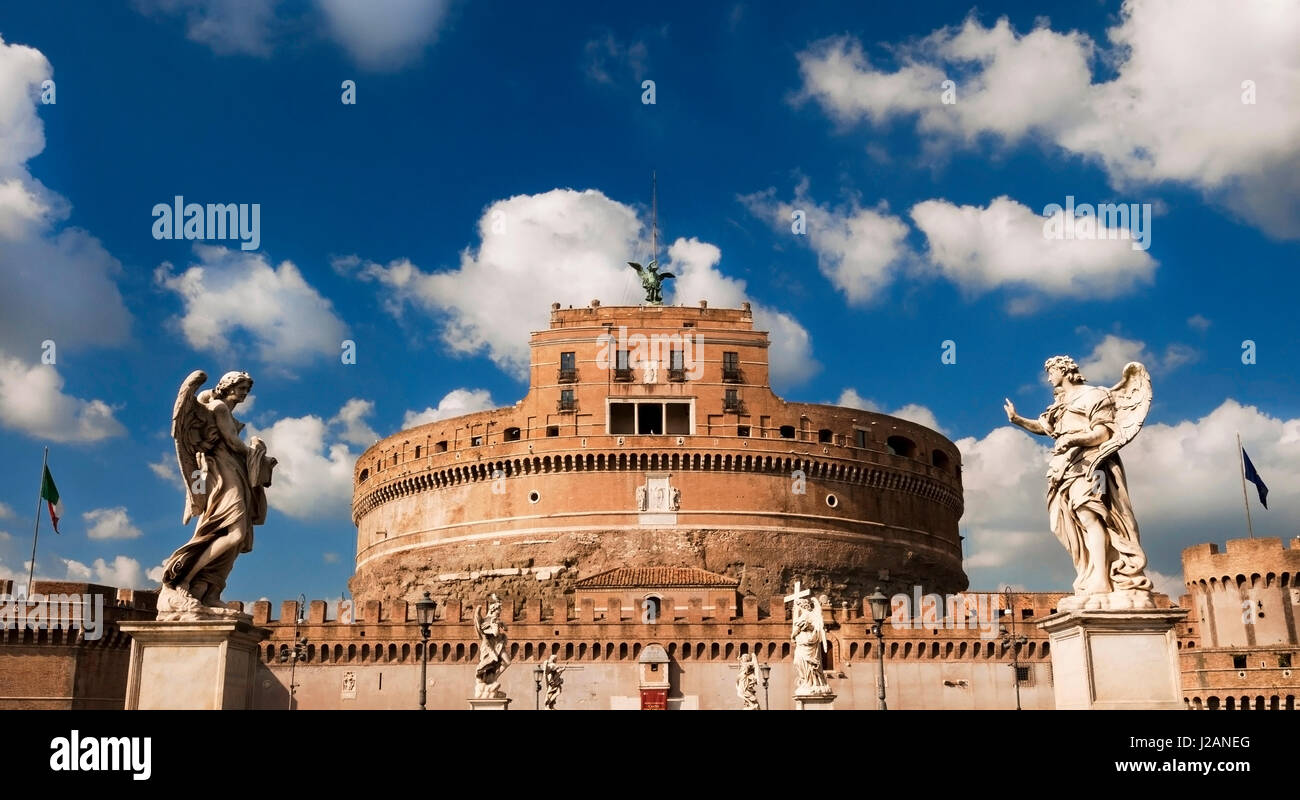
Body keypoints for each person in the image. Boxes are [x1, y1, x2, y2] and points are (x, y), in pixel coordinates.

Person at [1004, 355, 1154, 610]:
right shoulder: (1060, 403)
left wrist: (1074, 440)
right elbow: (1046, 428)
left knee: (1091, 517)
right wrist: (1018, 420)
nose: (1049, 377)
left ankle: (1101, 580)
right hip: (1066, 468)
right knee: (1068, 523)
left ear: (1064, 370)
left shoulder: (1094, 395)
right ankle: (1090, 573)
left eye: (1051, 371)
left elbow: (1103, 433)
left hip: (1093, 465)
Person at [160, 370, 276, 617]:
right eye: (241, 387)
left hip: (235, 470)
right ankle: (181, 581)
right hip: (223, 473)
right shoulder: (219, 408)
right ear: (227, 386)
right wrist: (257, 452)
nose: (244, 393)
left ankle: (209, 591)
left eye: (247, 389)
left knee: (237, 538)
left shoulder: (222, 410)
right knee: (233, 533)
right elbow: (233, 443)